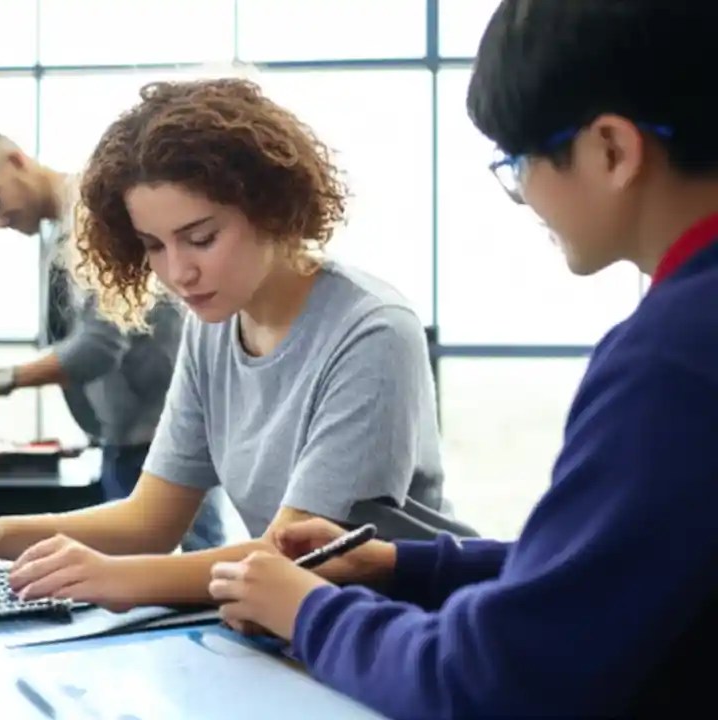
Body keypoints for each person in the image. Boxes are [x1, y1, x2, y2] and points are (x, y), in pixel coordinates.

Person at [205, 2, 718, 717]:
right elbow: (618, 564)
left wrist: (310, 612)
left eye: (518, 163)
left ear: (611, 150)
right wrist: (403, 565)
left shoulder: (672, 358)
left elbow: (493, 680)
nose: (522, 197)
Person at [0, 78, 473, 607]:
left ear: (270, 206)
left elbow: (303, 556)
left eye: (201, 238)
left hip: (419, 627)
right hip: (307, 630)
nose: (178, 273)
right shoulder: (212, 325)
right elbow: (150, 519)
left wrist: (114, 578)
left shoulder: (372, 331)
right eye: (153, 245)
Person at [0, 123, 228, 551]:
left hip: (161, 443)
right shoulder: (59, 230)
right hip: (127, 439)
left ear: (17, 161)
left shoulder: (92, 220)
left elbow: (99, 345)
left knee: (194, 572)